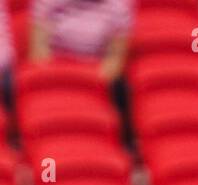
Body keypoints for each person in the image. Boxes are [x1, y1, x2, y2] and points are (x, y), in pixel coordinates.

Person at [28, 0, 136, 145]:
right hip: (56, 73)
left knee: (121, 88)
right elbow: (38, 53)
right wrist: (60, 78)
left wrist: (86, 82)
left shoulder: (118, 7)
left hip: (95, 76)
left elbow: (115, 60)